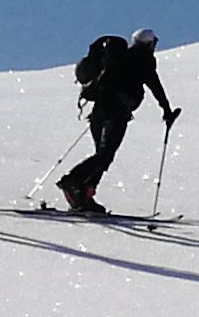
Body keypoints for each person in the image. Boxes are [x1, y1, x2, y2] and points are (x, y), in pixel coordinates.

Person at [58, 30, 176, 214]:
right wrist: (166, 110)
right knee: (105, 155)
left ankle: (84, 194)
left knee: (103, 156)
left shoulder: (118, 58)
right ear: (149, 43)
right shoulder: (143, 58)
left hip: (98, 110)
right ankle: (72, 182)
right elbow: (155, 85)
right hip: (117, 112)